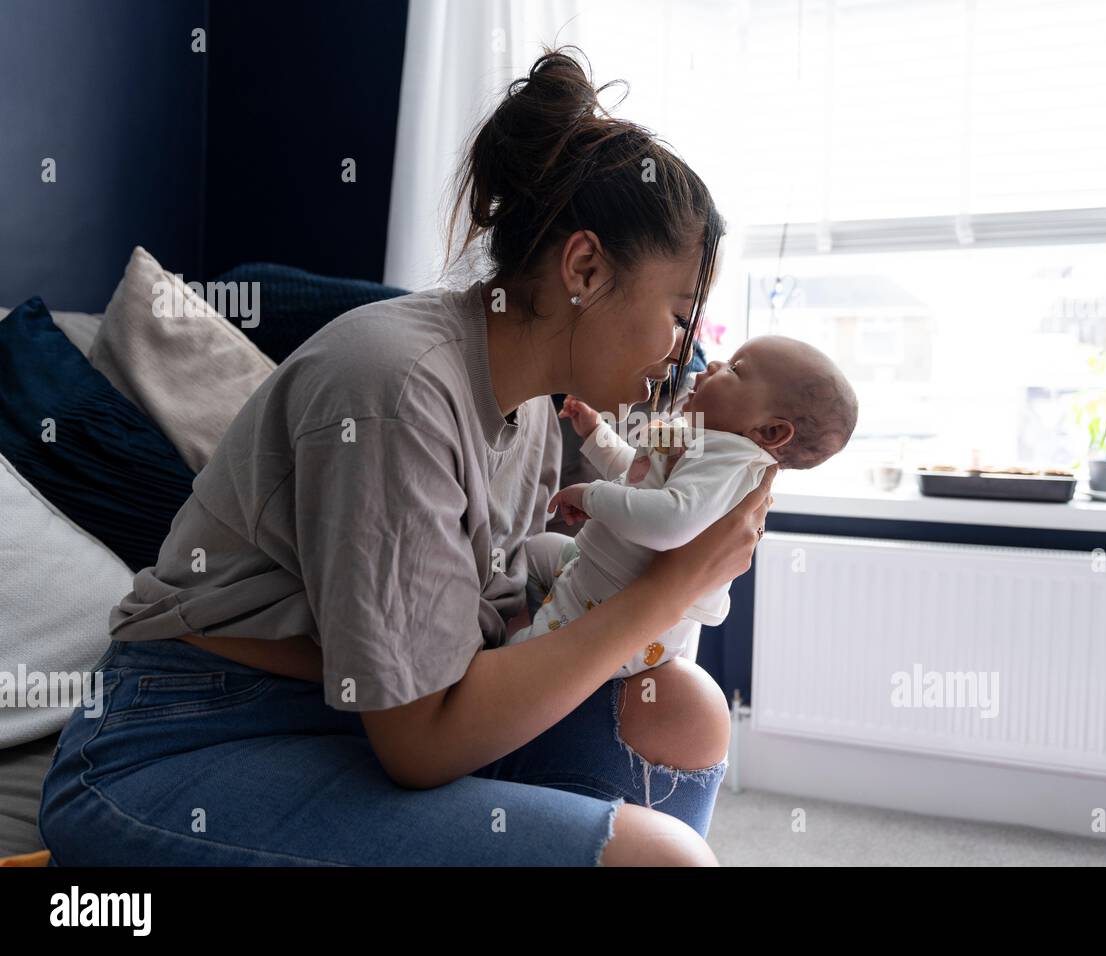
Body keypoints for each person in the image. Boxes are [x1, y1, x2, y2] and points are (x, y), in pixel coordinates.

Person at [38, 46, 774, 866]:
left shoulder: (528, 407)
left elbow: (478, 634)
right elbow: (420, 741)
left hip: (344, 718)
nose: (683, 359)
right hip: (188, 742)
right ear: (586, 268)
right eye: (679, 316)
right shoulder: (397, 388)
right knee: (663, 860)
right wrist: (668, 587)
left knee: (682, 709)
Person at [515, 335, 859, 679]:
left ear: (770, 431)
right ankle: (537, 614)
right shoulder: (699, 438)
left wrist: (588, 496)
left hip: (614, 608)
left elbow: (669, 522)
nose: (713, 364)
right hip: (594, 574)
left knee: (522, 656)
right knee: (534, 552)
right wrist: (596, 434)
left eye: (735, 369)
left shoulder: (730, 460)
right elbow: (639, 474)